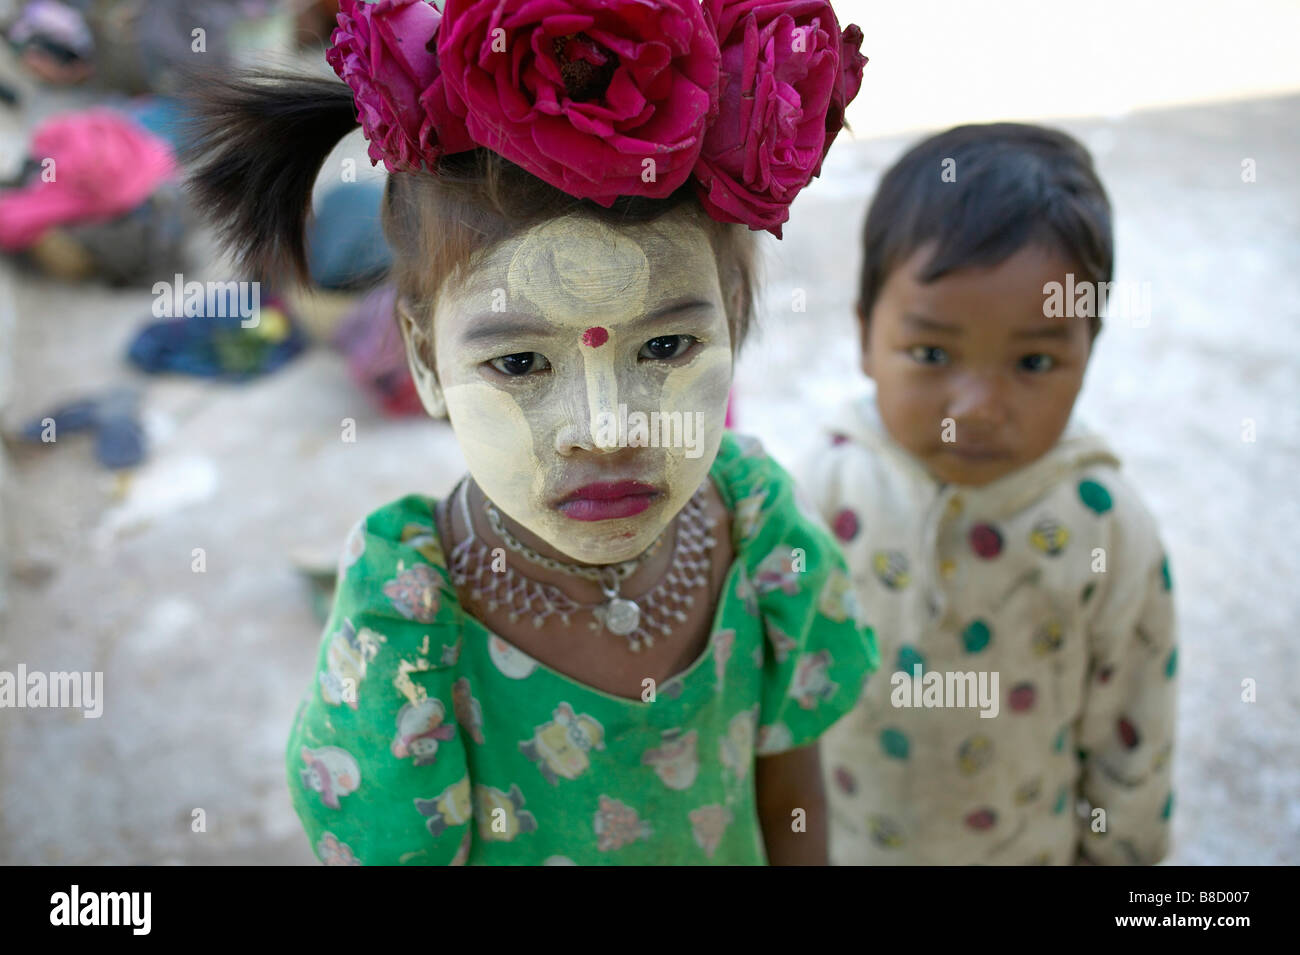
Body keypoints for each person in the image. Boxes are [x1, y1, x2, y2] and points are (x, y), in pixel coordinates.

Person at [184, 0, 877, 865]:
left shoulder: (762, 535)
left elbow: (791, 800)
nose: (605, 429)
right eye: (518, 364)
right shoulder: (408, 630)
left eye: (664, 346)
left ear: (735, 320)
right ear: (426, 363)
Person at [804, 123, 1178, 865]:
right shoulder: (825, 490)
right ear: (864, 337)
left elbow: (1136, 728)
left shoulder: (1106, 528)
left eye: (1034, 360)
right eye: (932, 353)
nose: (975, 405)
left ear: (1089, 351)